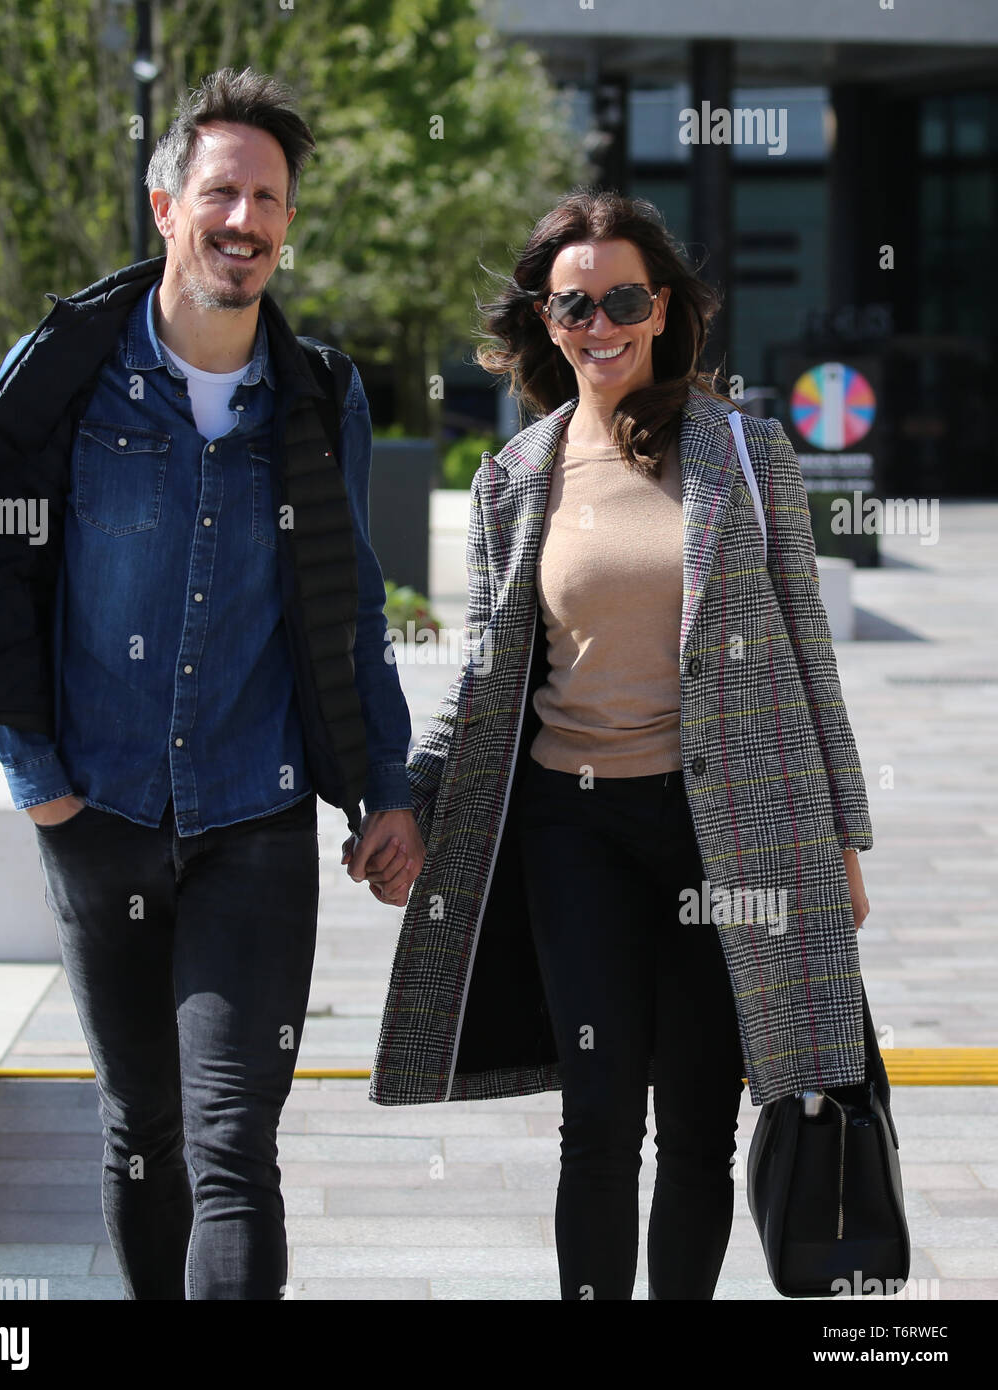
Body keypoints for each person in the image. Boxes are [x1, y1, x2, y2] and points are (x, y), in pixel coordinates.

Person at [0, 66, 424, 1300]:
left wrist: (383, 788)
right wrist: (42, 792)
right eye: (222, 191)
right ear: (166, 204)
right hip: (101, 818)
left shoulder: (317, 394)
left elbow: (349, 603)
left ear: (288, 222)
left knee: (233, 1145)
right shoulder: (67, 372)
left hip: (255, 817)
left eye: (269, 199)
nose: (245, 221)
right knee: (142, 1137)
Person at [359, 189, 874, 1301]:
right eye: (573, 304)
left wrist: (841, 836)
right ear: (546, 322)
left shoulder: (743, 452)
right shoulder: (513, 478)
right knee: (597, 1118)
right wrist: (407, 794)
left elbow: (809, 645)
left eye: (624, 298)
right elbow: (488, 677)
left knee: (698, 1118)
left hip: (721, 835)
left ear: (665, 308)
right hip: (570, 829)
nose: (600, 323)